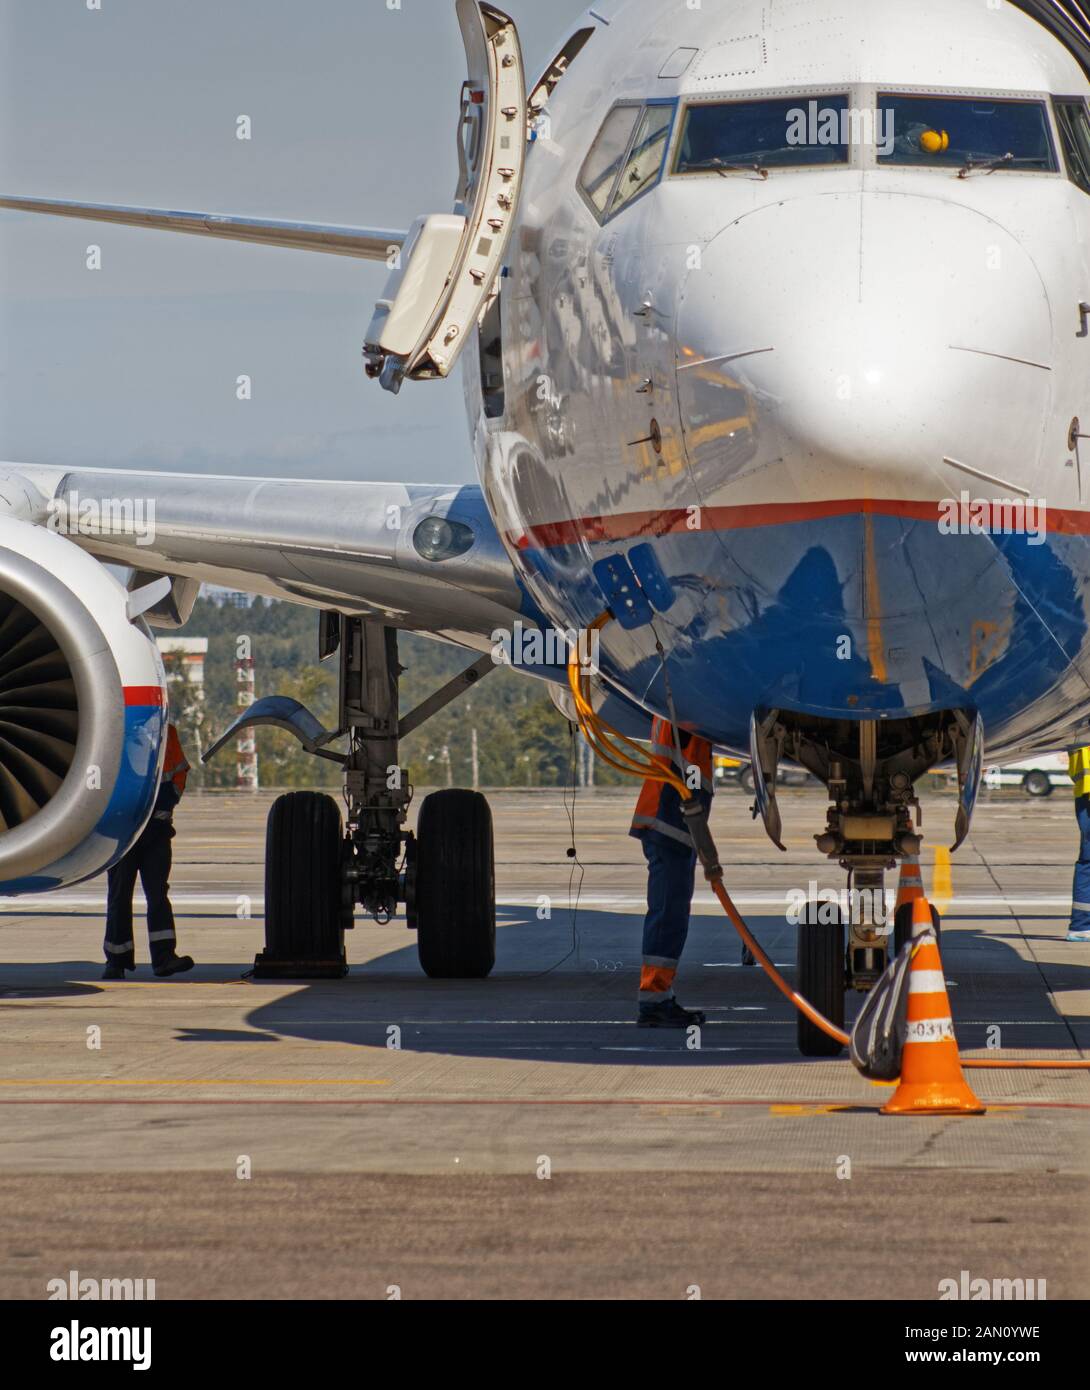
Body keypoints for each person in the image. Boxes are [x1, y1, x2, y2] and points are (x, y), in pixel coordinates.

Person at [630, 716, 714, 1026]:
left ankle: (658, 998)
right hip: (668, 826)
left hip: (675, 828)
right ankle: (653, 1002)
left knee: (671, 915)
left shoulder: (678, 708)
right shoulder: (684, 710)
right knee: (668, 916)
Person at [102, 721, 195, 979]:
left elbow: (179, 772)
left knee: (157, 894)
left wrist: (164, 806)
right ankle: (116, 960)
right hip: (124, 830)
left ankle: (164, 957)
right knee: (121, 893)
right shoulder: (113, 732)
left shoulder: (168, 733)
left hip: (154, 830)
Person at [1067, 737, 1090, 942]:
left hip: (1084, 793)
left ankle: (1081, 926)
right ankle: (1081, 926)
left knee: (1087, 861)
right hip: (1085, 793)